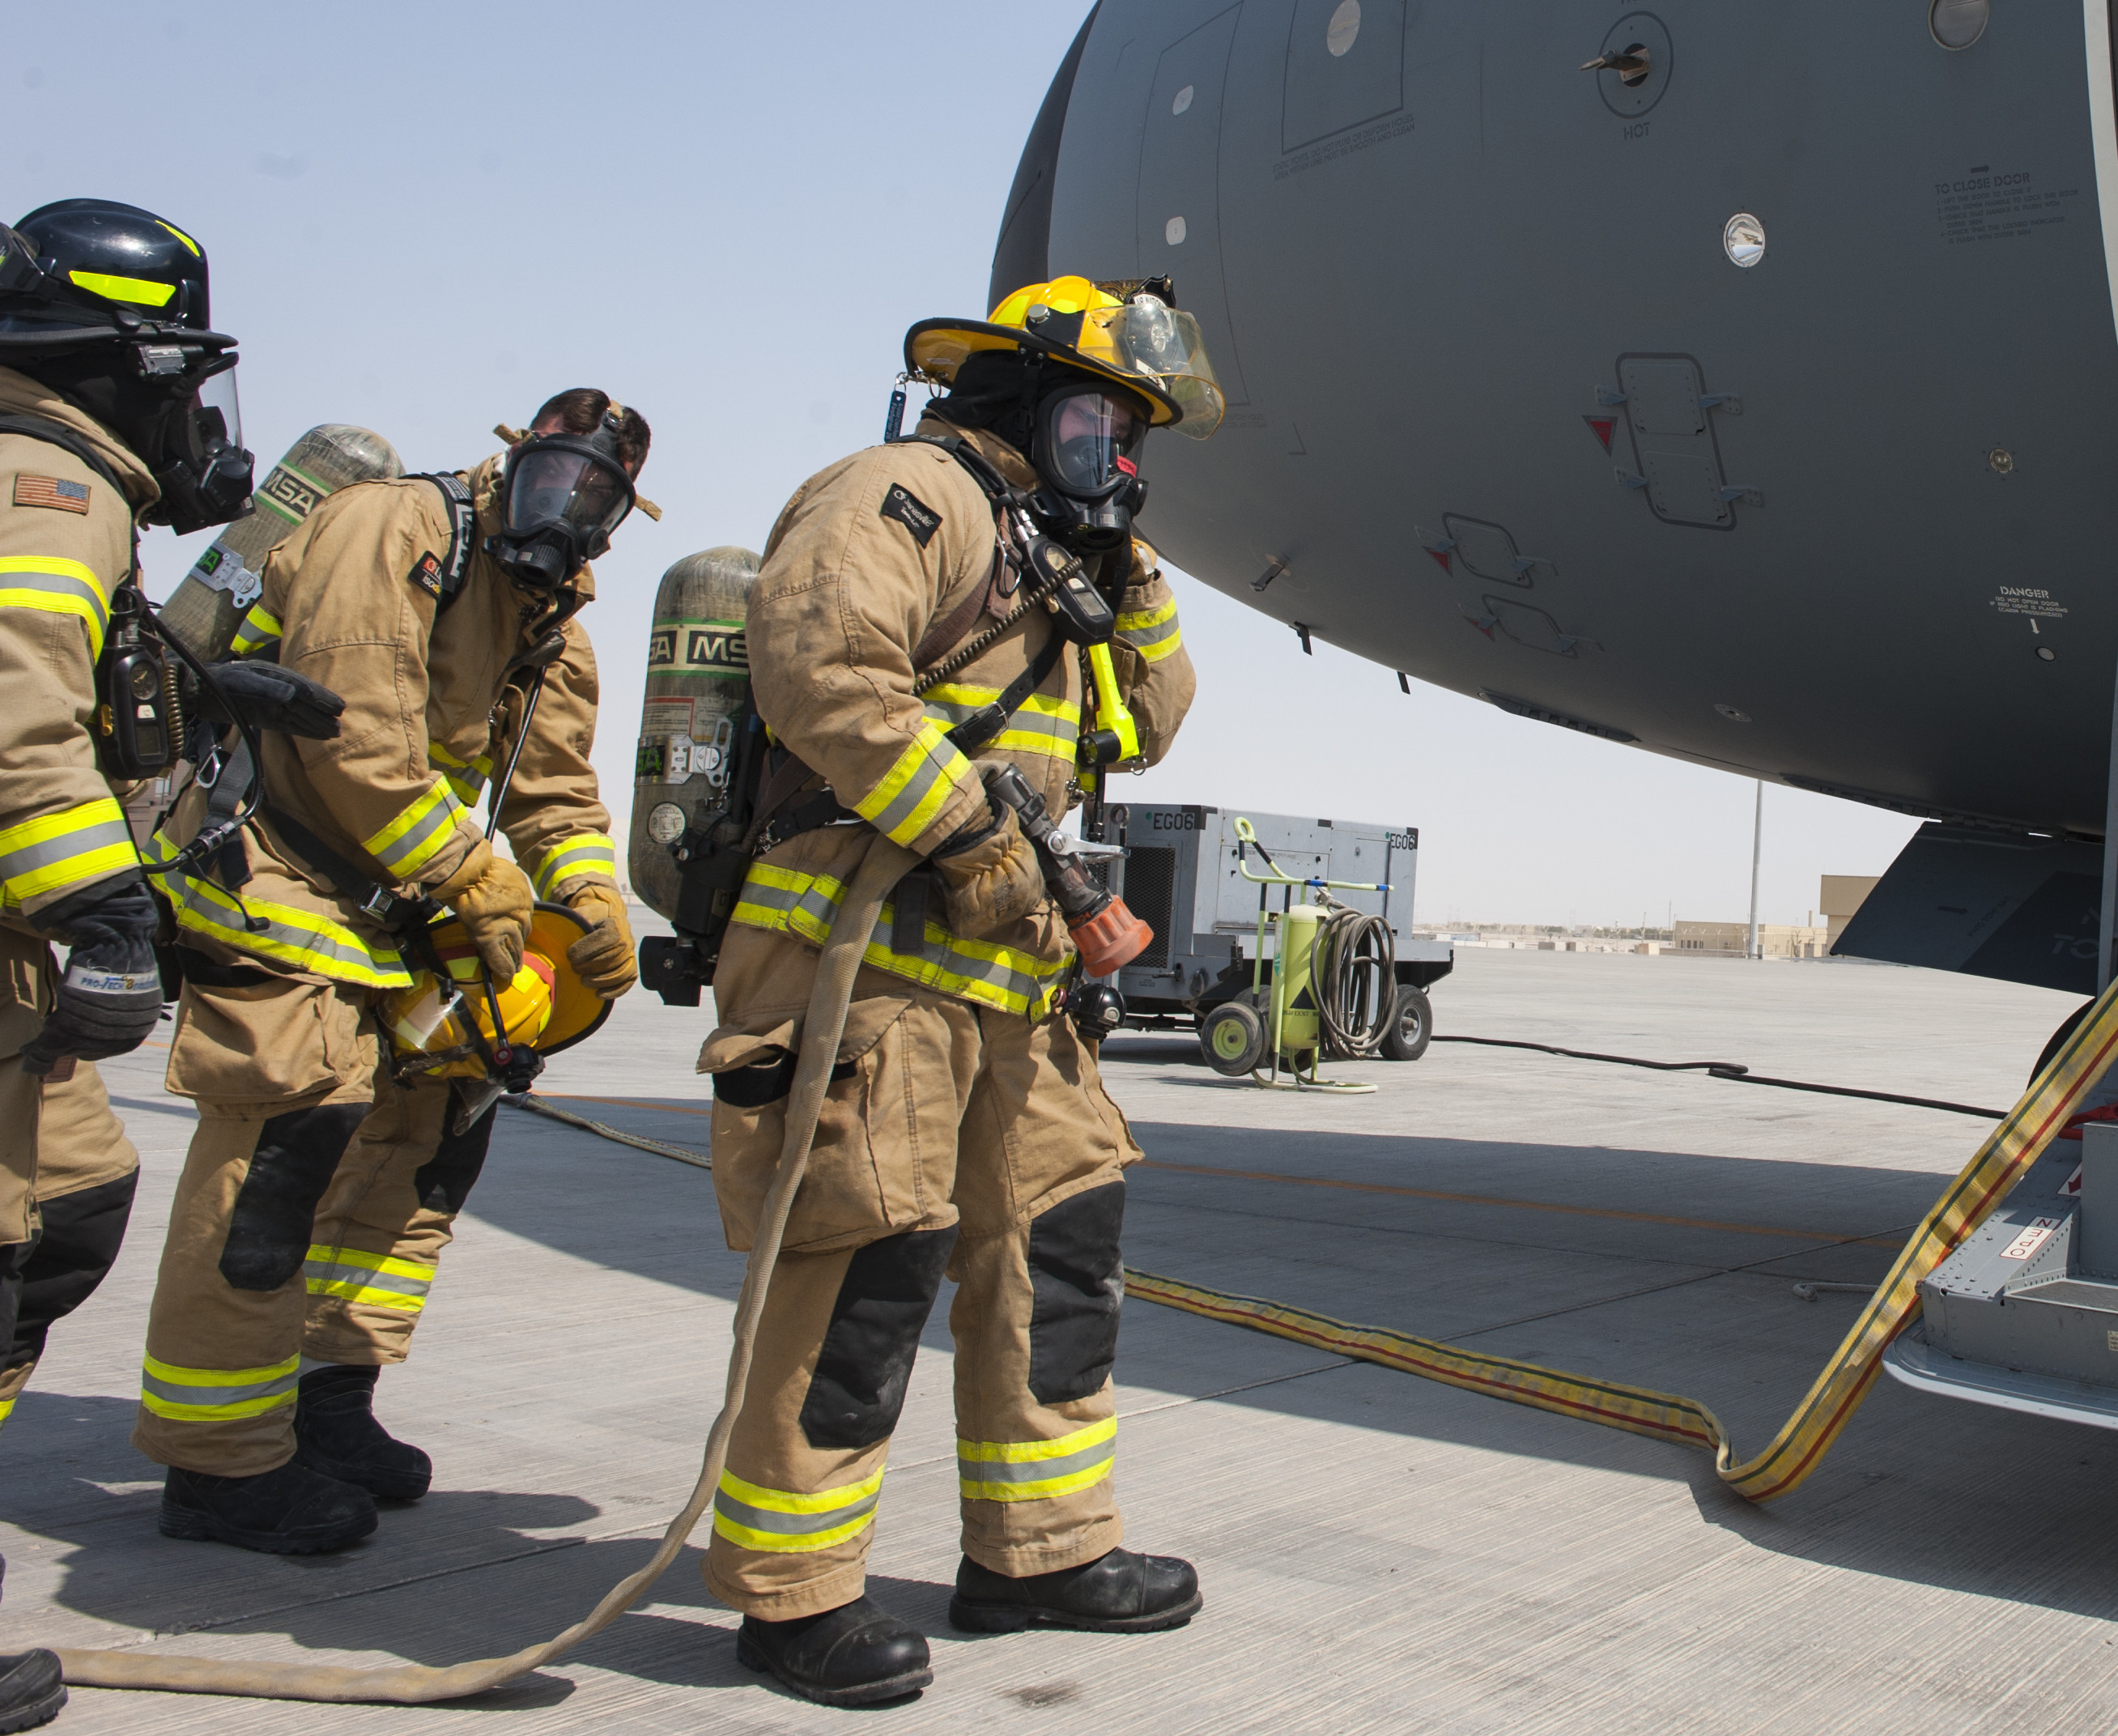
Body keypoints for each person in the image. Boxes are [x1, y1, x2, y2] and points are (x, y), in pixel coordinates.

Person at [699, 276, 1218, 1708]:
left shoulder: (1065, 556)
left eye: (1134, 439)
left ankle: (1039, 1553)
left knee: (1061, 1247)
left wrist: (1129, 560)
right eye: (1101, 425)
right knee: (865, 1267)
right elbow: (824, 671)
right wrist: (975, 838)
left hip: (1014, 987)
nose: (1120, 456)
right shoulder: (909, 495)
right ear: (1021, 399)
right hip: (863, 964)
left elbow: (1149, 725)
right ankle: (794, 1593)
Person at [135, 390, 652, 1555]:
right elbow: (352, 730)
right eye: (559, 481)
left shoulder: (551, 618)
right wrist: (469, 873)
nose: (570, 515)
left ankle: (328, 1402)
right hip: (286, 879)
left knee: (426, 1145)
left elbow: (553, 790)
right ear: (513, 463)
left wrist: (587, 897)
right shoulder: (396, 526)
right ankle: (217, 1460)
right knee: (279, 1160)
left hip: (406, 910)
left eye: (599, 501)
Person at [0, 198, 268, 1732]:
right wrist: (103, 912)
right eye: (184, 379)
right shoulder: (56, 479)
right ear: (123, 365)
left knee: (72, 1196)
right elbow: (13, 707)